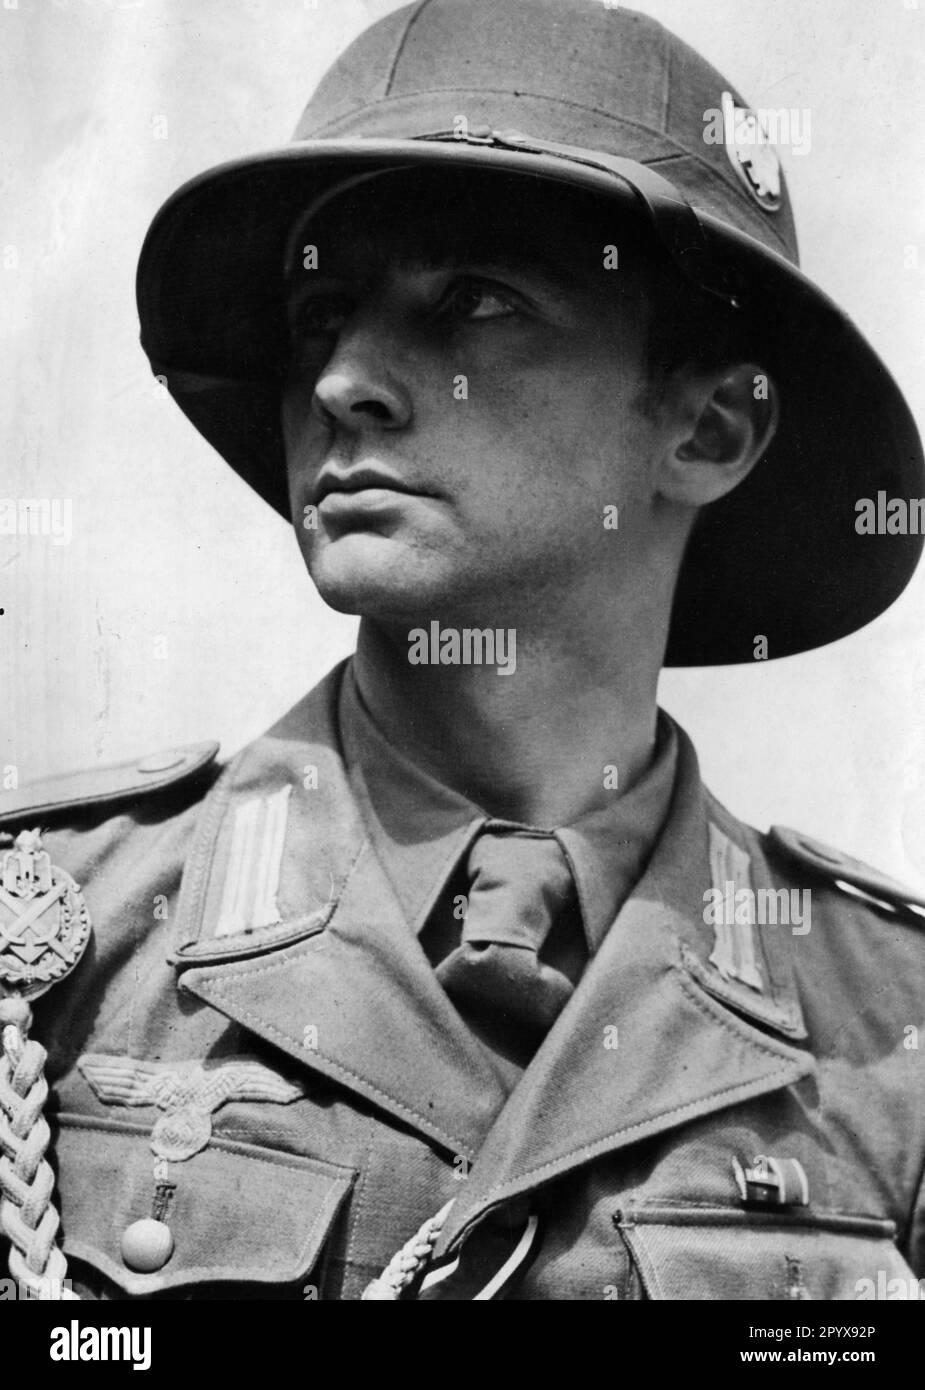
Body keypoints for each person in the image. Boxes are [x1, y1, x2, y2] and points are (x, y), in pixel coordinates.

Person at [1, 0, 923, 1302]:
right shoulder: (51, 938)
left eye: (475, 300)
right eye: (319, 315)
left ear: (709, 429)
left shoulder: (892, 1032)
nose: (340, 383)